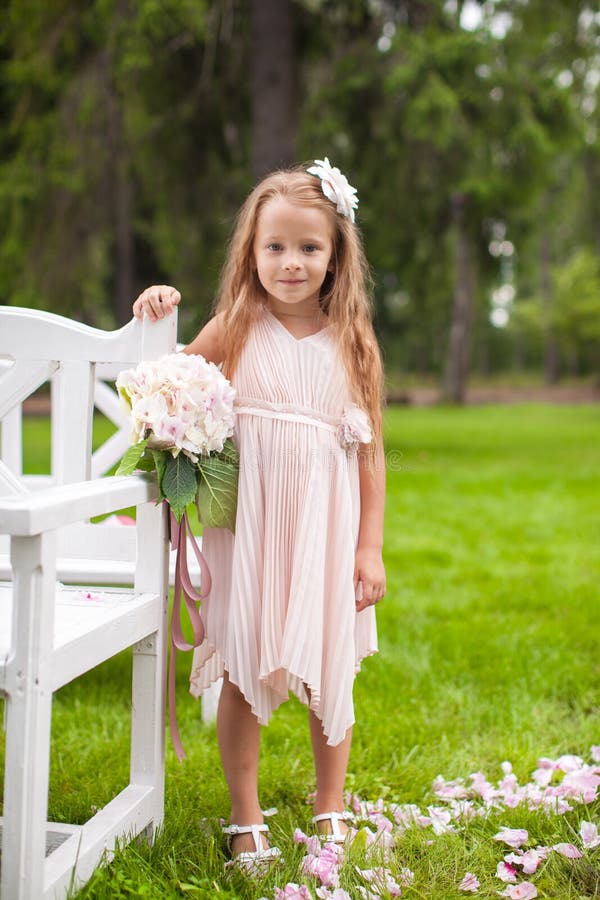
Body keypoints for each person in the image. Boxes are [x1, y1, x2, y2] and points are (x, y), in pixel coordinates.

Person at [132, 158, 386, 872]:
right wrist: (152, 313)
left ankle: (330, 801)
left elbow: (371, 455)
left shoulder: (353, 341)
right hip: (249, 529)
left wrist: (370, 547)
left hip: (324, 530)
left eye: (310, 247)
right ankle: (245, 815)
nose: (291, 262)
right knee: (245, 664)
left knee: (328, 661)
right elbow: (171, 386)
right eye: (275, 246)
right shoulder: (235, 326)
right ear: (252, 250)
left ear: (336, 256)